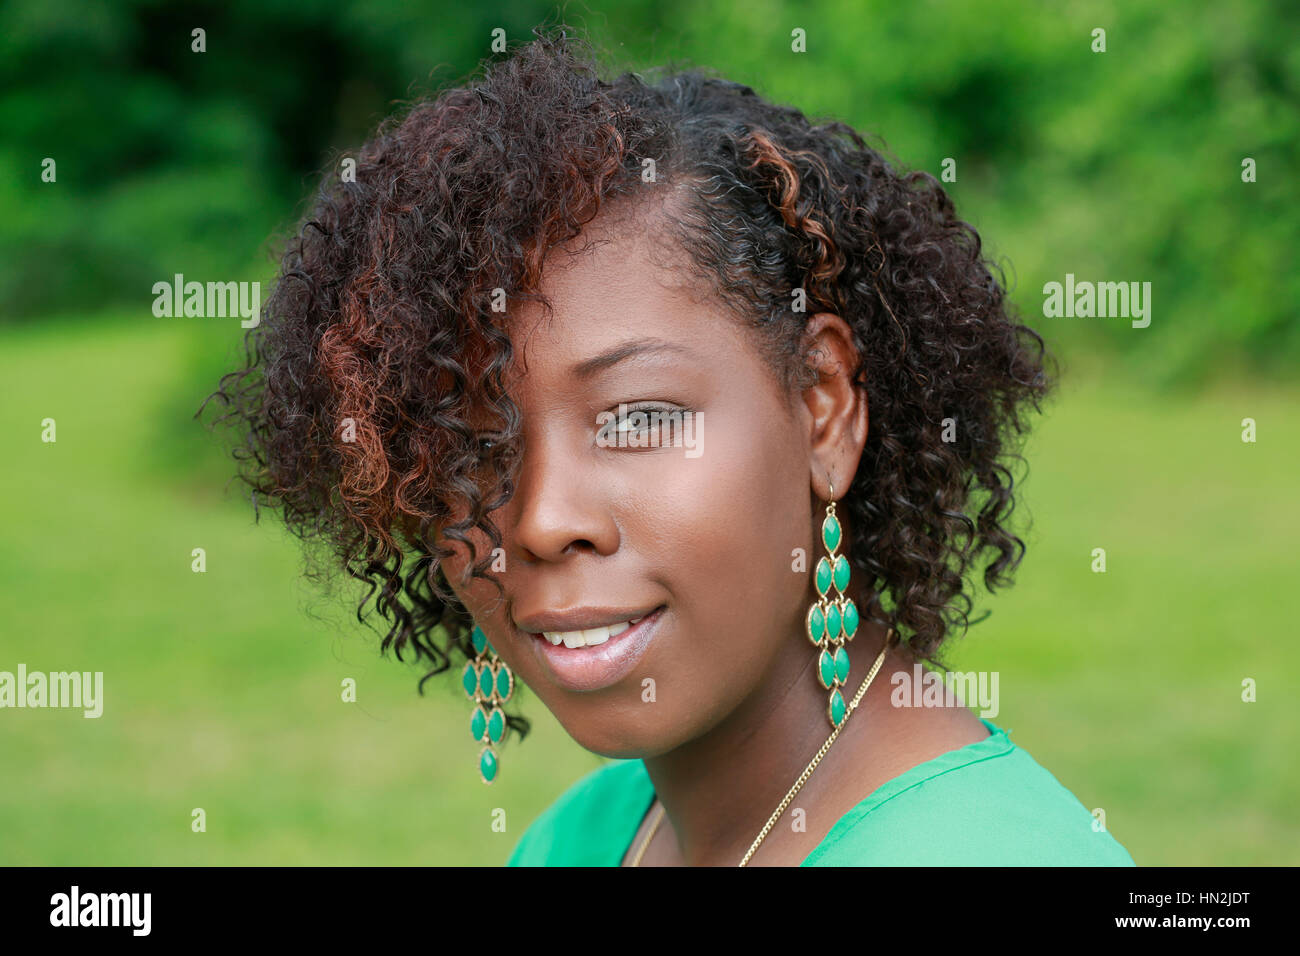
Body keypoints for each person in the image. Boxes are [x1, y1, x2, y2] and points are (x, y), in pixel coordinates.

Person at [208, 27, 1135, 867]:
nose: (539, 521)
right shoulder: (583, 839)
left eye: (636, 417)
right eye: (470, 442)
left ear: (821, 408)